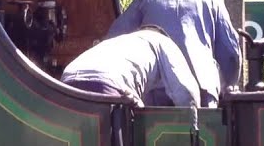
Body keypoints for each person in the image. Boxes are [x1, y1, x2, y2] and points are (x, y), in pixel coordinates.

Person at [105, 0, 241, 107]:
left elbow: (116, 37)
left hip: (156, 88)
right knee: (204, 130)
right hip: (202, 85)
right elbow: (230, 51)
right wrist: (229, 85)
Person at [60, 25, 200, 107]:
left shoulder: (119, 42)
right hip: (108, 82)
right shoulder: (162, 41)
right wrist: (196, 125)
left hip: (67, 81)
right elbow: (186, 91)